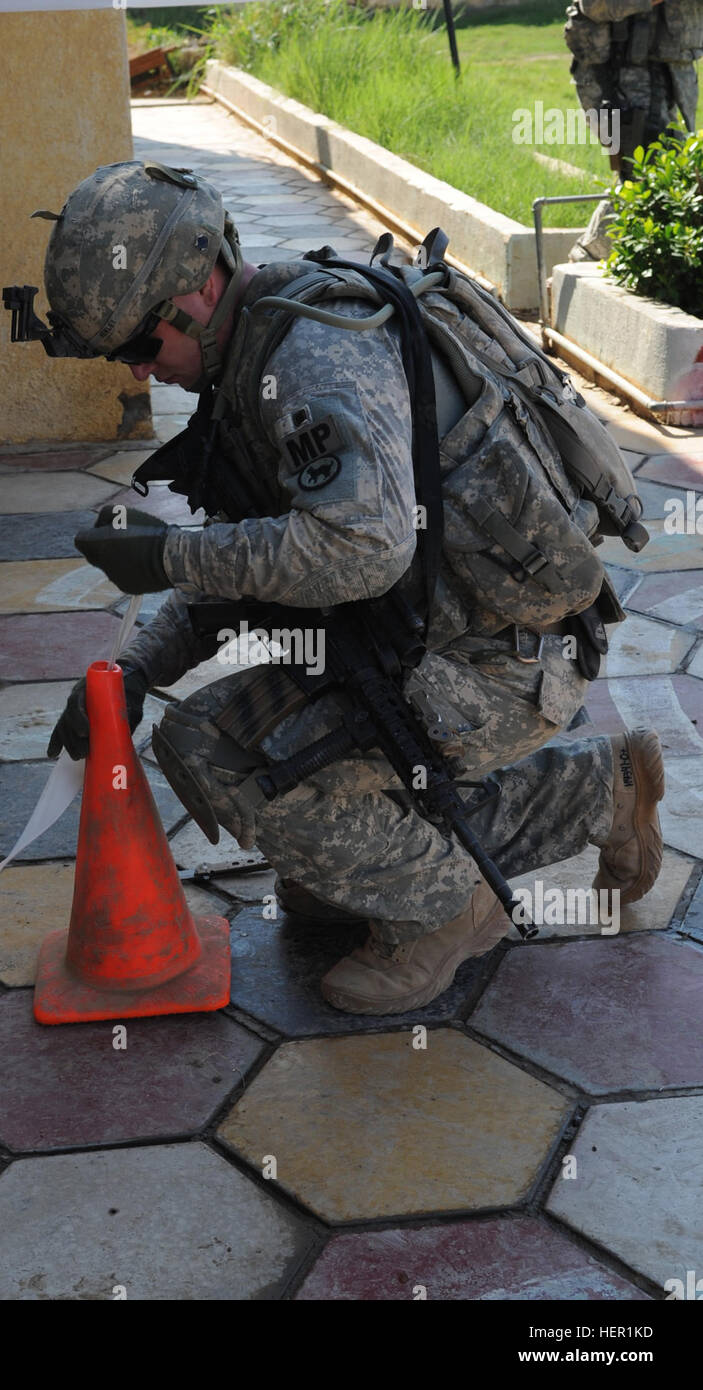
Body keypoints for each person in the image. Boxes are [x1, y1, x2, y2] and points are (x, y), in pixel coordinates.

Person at [37, 159, 664, 1015]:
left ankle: (447, 908)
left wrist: (170, 558)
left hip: (503, 663)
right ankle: (598, 788)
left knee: (237, 763)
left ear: (200, 284)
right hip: (429, 640)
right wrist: (142, 666)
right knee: (242, 764)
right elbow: (254, 556)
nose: (141, 373)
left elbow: (356, 552)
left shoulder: (311, 362)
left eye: (143, 346)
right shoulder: (255, 343)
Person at [565, 0, 703, 261]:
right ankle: (589, 256)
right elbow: (594, 5)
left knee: (663, 175)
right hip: (623, 76)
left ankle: (594, 255)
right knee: (646, 177)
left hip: (673, 76)